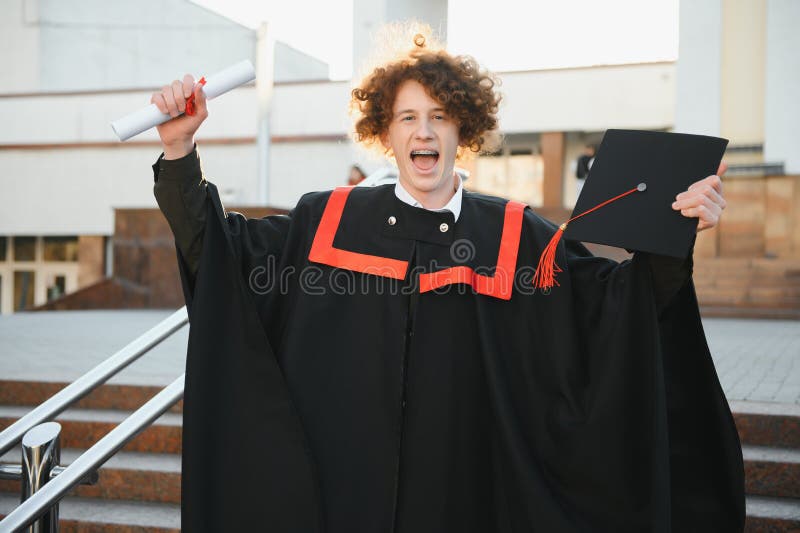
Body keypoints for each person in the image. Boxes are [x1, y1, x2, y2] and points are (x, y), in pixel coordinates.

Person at [150, 28, 743, 533]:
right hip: (343, 497)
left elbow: (615, 311)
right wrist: (180, 152)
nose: (424, 132)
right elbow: (219, 252)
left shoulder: (518, 236)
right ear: (387, 133)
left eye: (440, 117)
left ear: (465, 132)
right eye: (408, 117)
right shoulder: (326, 222)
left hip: (468, 498)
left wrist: (673, 233)